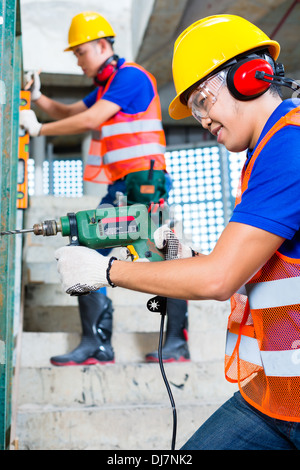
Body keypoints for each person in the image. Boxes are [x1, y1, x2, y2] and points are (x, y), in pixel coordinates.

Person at [54, 14, 300, 450]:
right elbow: (260, 272)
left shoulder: (289, 144)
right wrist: (194, 256)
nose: (202, 119)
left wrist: (107, 271)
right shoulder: (263, 153)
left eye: (203, 101)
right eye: (193, 110)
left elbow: (217, 280)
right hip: (279, 395)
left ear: (251, 77)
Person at [20, 11, 190, 366]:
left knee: (137, 251)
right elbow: (68, 111)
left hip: (140, 187)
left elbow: (90, 120)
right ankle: (164, 343)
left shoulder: (130, 78)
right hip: (128, 186)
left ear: (101, 45)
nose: (78, 60)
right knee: (162, 253)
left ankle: (115, 344)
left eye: (80, 52)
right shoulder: (108, 86)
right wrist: (38, 98)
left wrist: (39, 131)